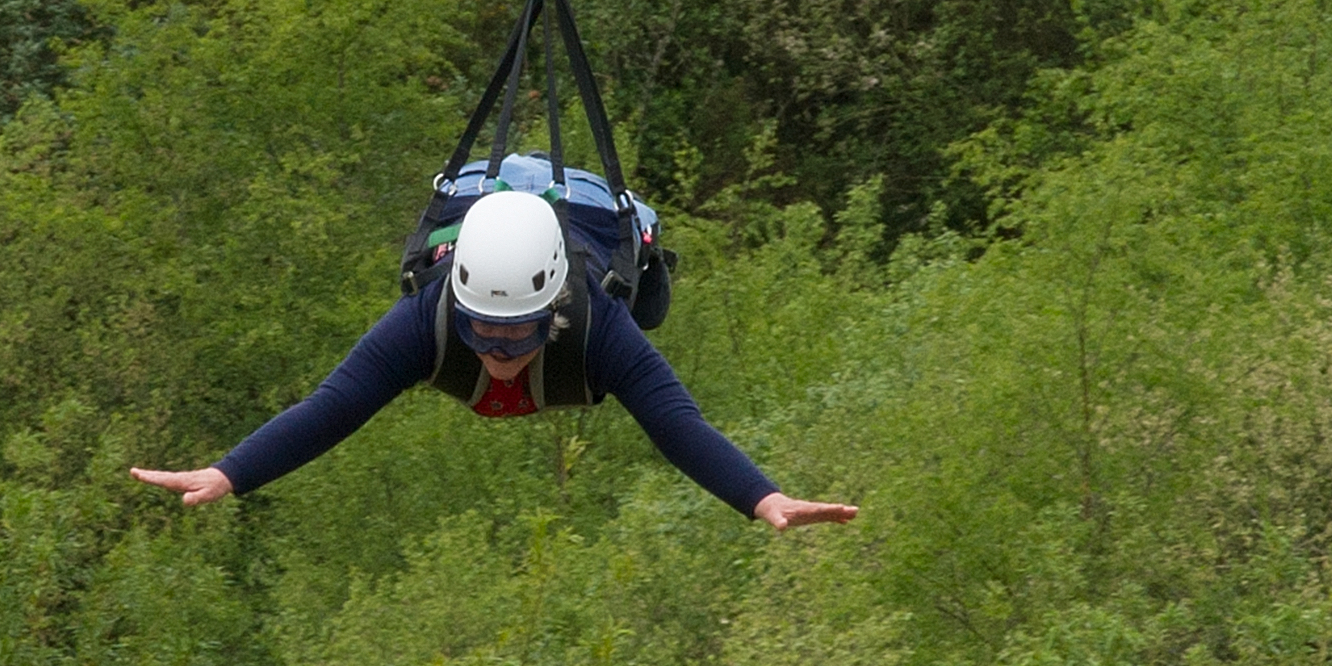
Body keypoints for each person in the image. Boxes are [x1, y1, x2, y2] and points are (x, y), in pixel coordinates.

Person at [133, 188, 859, 530]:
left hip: (587, 269)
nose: (498, 354)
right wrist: (231, 472)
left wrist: (762, 497)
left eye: (518, 336)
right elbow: (332, 409)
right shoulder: (426, 321)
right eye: (482, 332)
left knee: (648, 306)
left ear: (553, 313)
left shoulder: (598, 328)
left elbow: (677, 424)